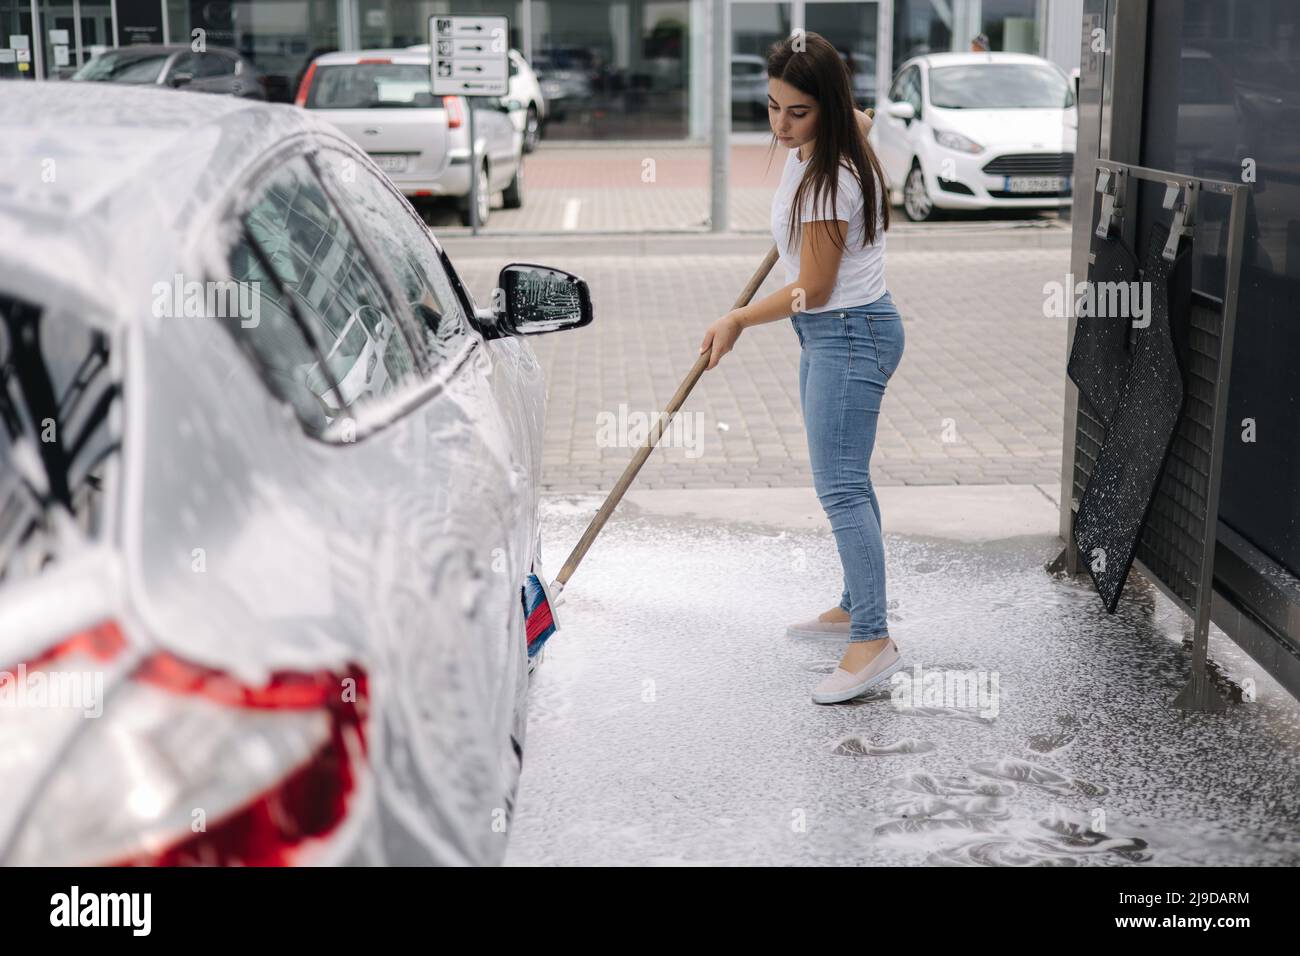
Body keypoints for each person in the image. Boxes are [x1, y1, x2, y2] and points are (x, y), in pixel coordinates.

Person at [698, 31, 905, 704]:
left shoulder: (829, 179)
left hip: (846, 332)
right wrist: (840, 122)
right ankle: (854, 604)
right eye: (771, 107)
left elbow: (810, 290)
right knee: (850, 480)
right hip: (838, 334)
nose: (781, 125)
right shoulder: (839, 139)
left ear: (829, 109)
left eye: (797, 112)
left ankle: (871, 640)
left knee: (841, 488)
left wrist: (736, 319)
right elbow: (864, 118)